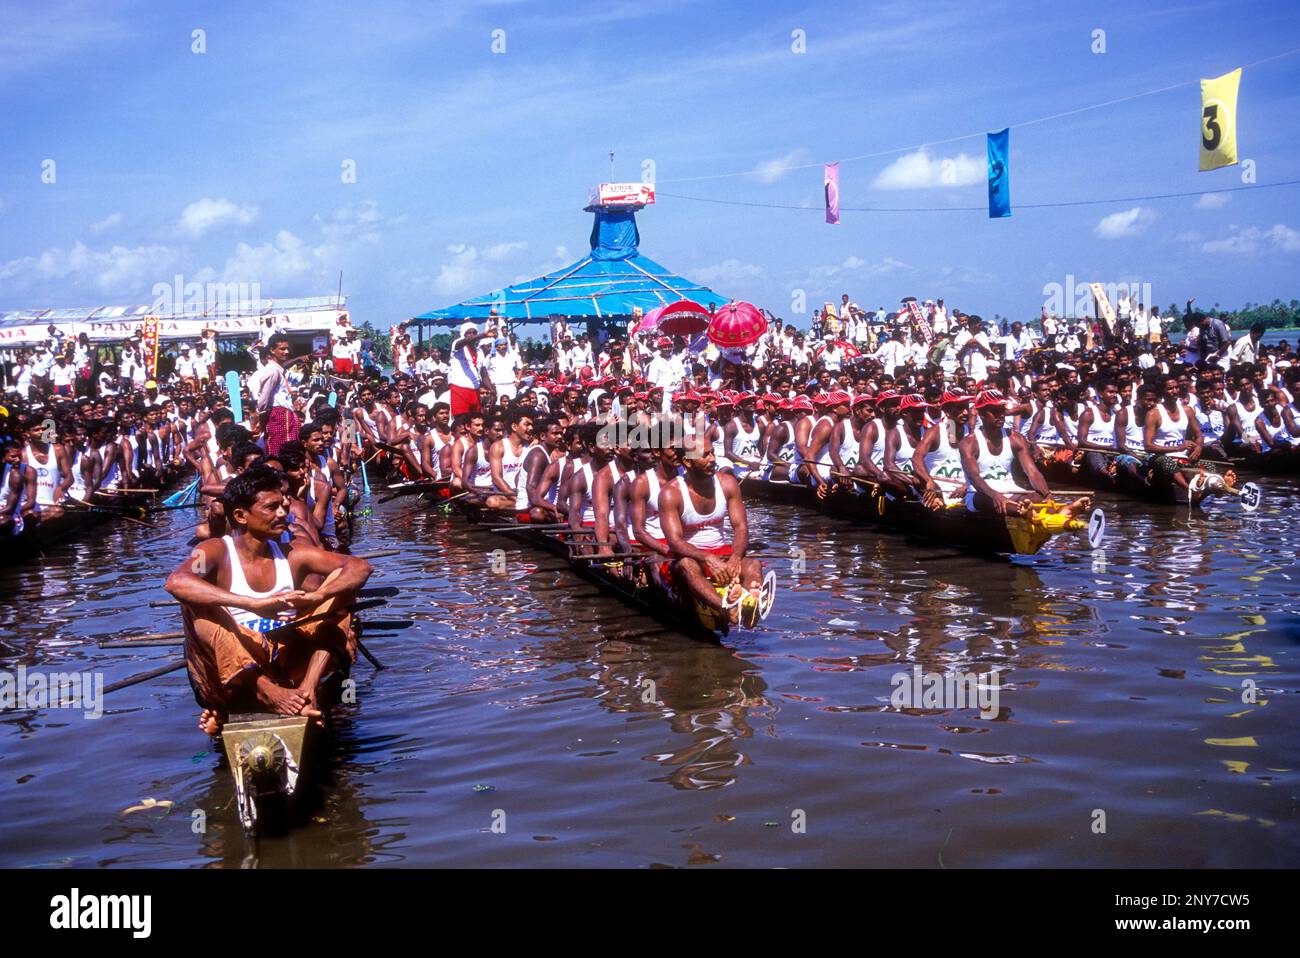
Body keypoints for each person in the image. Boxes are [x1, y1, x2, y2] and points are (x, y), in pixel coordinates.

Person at [164, 467, 372, 736]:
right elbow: (176, 582)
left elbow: (358, 567)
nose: (283, 513)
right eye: (272, 508)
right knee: (195, 608)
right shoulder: (213, 551)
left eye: (282, 505)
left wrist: (317, 596)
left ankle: (308, 691)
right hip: (236, 673)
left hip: (286, 665)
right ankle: (266, 693)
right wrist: (252, 604)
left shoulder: (292, 553)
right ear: (240, 516)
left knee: (343, 594)